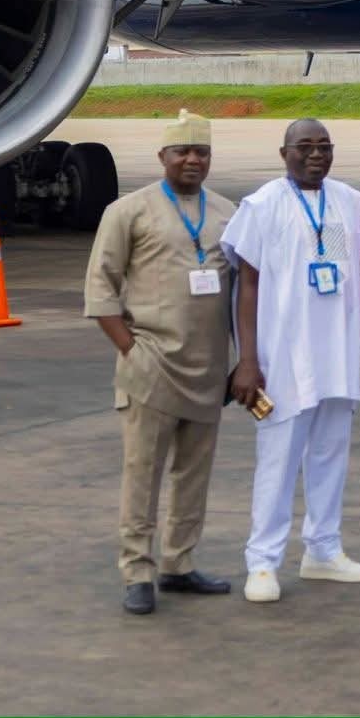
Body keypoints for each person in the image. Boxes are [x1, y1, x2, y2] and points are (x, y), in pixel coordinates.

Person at [82, 109, 238, 616]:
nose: (193, 160)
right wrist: (129, 347)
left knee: (194, 474)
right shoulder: (130, 211)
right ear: (162, 157)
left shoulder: (227, 213)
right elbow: (100, 286)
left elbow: (249, 288)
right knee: (142, 472)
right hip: (150, 364)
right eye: (183, 152)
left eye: (202, 152)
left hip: (208, 367)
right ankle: (138, 570)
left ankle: (178, 563)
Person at [227, 118, 360, 603]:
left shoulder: (346, 201)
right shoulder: (262, 206)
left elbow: (348, 272)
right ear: (284, 153)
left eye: (323, 147)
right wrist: (247, 359)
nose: (315, 155)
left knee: (330, 452)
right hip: (283, 355)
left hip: (335, 350)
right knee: (278, 459)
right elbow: (246, 286)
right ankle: (263, 562)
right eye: (304, 147)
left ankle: (323, 550)